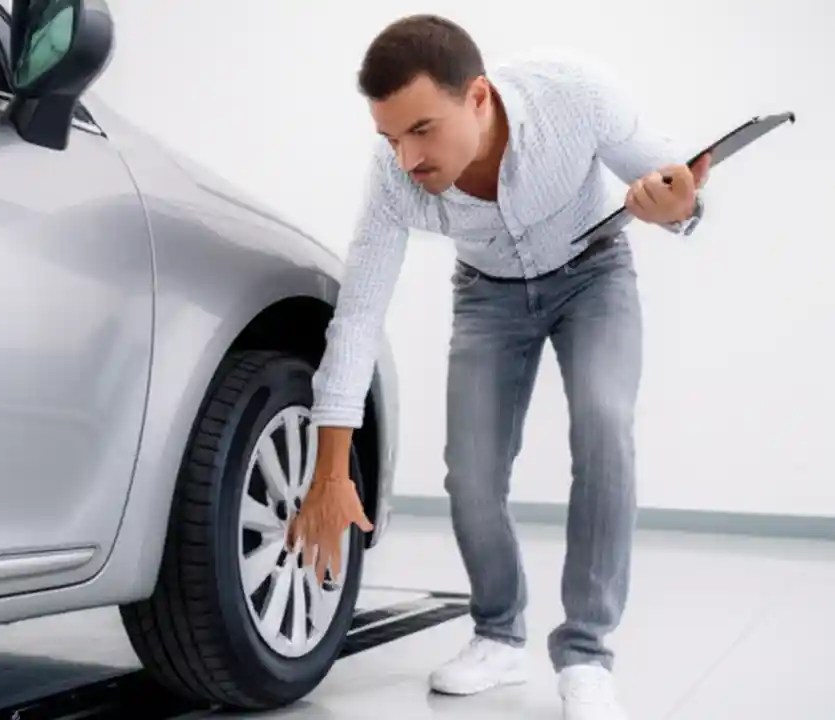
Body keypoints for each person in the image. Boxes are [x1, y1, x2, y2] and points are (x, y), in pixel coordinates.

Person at [287, 14, 709, 720]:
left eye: (422, 130)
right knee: (471, 472)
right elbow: (358, 316)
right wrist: (330, 472)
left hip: (593, 275)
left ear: (477, 97)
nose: (407, 159)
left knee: (605, 425)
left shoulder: (574, 94)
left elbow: (676, 178)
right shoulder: (394, 182)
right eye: (390, 139)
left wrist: (680, 207)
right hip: (487, 297)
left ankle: (586, 652)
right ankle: (497, 632)